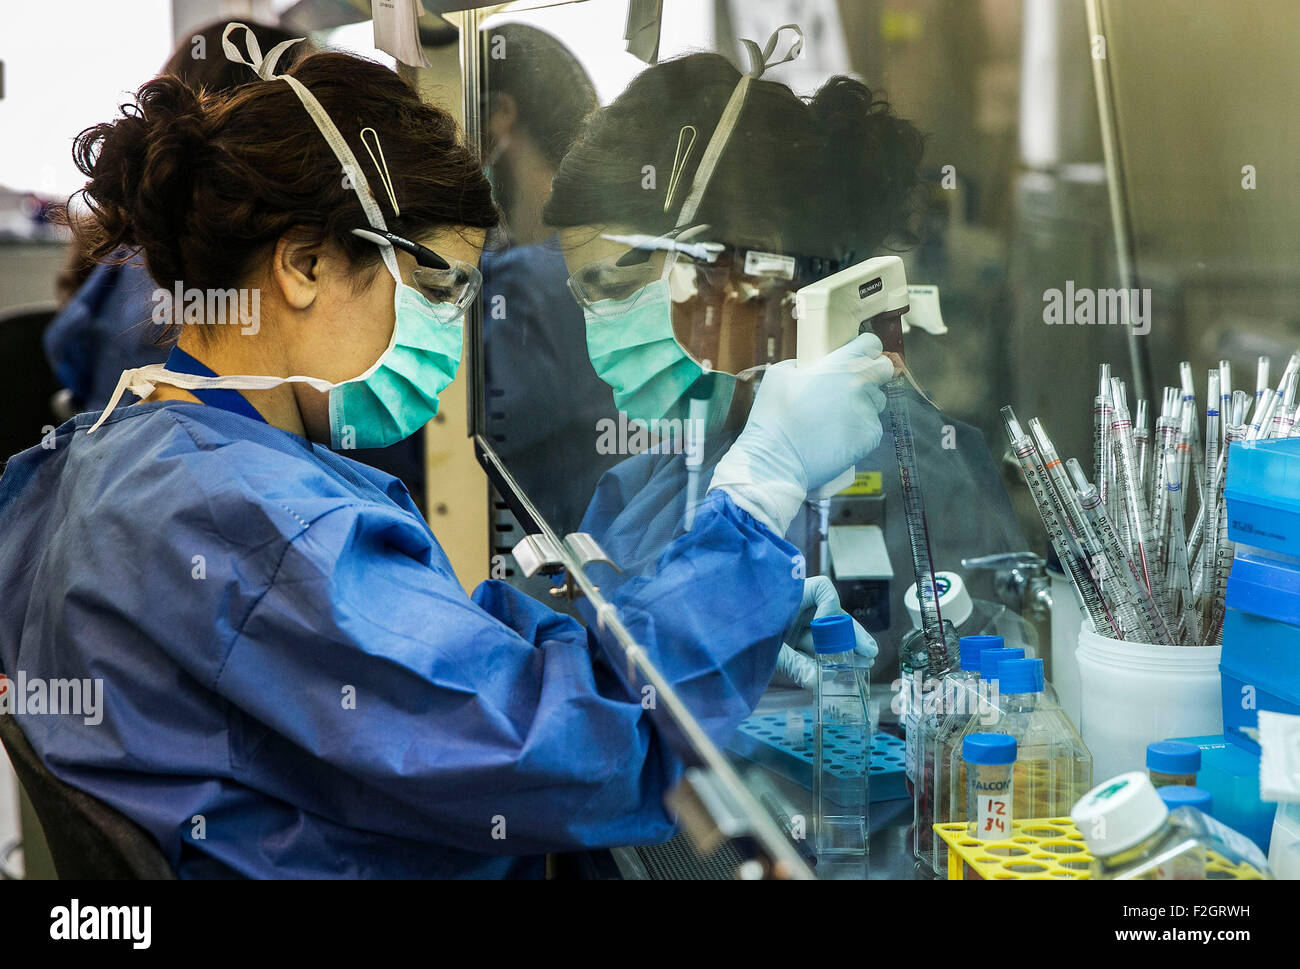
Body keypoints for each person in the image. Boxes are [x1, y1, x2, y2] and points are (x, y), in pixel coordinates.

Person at [0, 25, 892, 878]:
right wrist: (758, 497)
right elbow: (600, 750)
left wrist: (616, 608)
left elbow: (382, 669)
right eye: (431, 285)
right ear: (304, 263)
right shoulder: (264, 529)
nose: (447, 334)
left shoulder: (117, 447)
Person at [543, 36, 1026, 681]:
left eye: (617, 287)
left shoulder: (909, 473)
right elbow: (589, 670)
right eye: (586, 295)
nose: (601, 325)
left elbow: (963, 722)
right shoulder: (682, 459)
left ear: (748, 260)